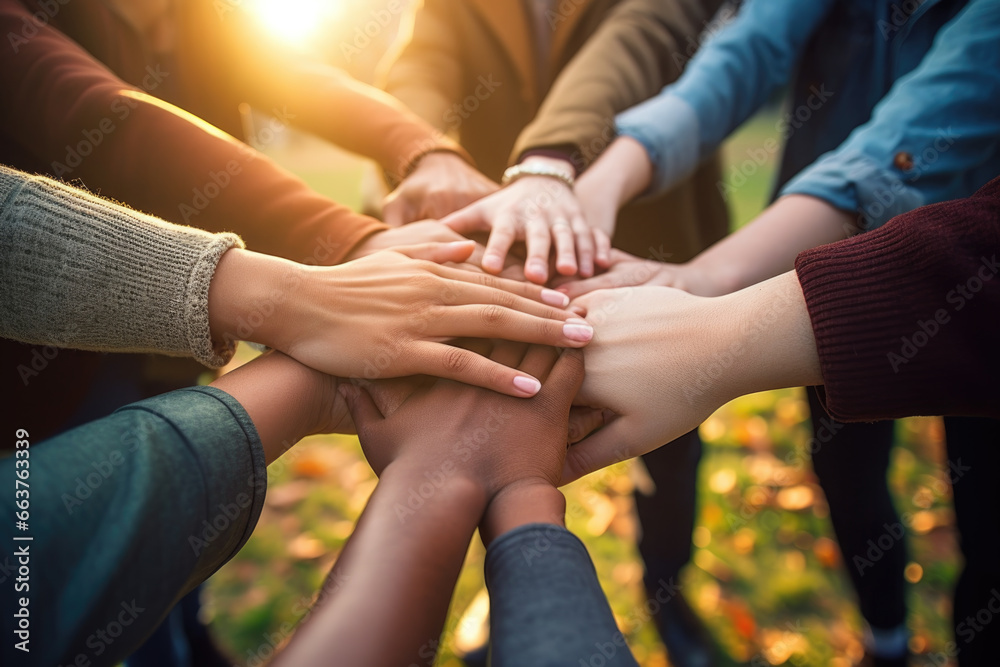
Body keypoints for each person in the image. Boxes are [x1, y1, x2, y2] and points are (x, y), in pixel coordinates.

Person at [559, 1, 1000, 662]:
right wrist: (603, 179)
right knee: (847, 470)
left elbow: (914, 131)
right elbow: (741, 58)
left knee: (990, 515)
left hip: (974, 294)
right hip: (807, 277)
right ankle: (888, 639)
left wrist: (704, 287)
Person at [376, 2, 729, 659]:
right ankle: (513, 578)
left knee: (672, 438)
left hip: (647, 234)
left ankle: (668, 588)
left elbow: (636, 39)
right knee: (501, 428)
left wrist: (549, 159)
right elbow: (423, 62)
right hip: (514, 245)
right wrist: (427, 152)